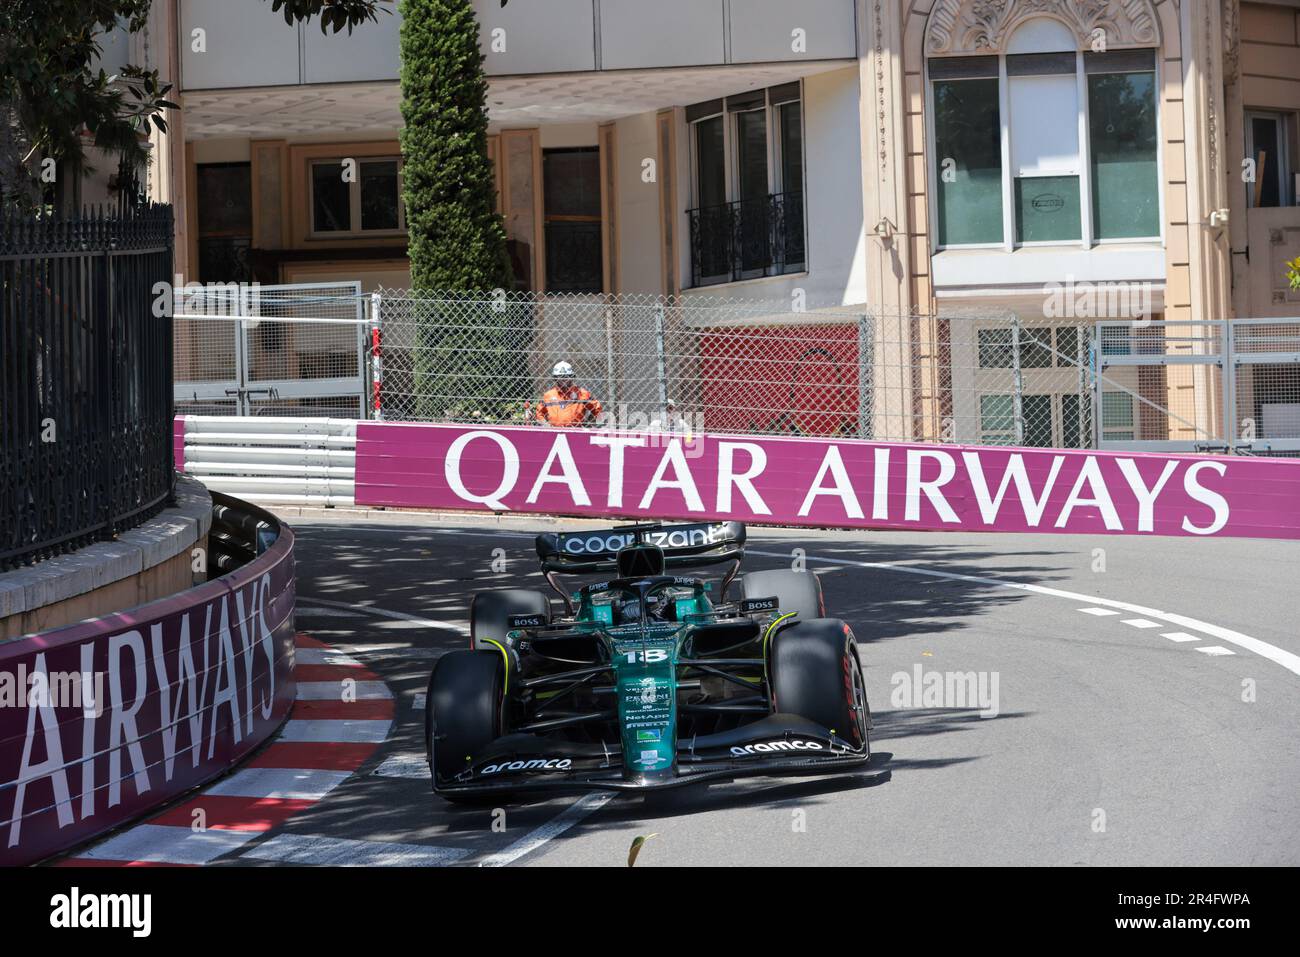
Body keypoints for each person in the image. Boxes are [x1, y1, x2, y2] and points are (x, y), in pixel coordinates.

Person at [536, 360, 602, 427]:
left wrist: (588, 424)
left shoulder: (582, 393)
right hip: (554, 433)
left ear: (572, 377)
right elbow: (539, 413)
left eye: (566, 376)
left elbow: (597, 409)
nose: (563, 379)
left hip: (576, 432)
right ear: (555, 378)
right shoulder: (548, 395)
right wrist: (547, 427)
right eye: (560, 376)